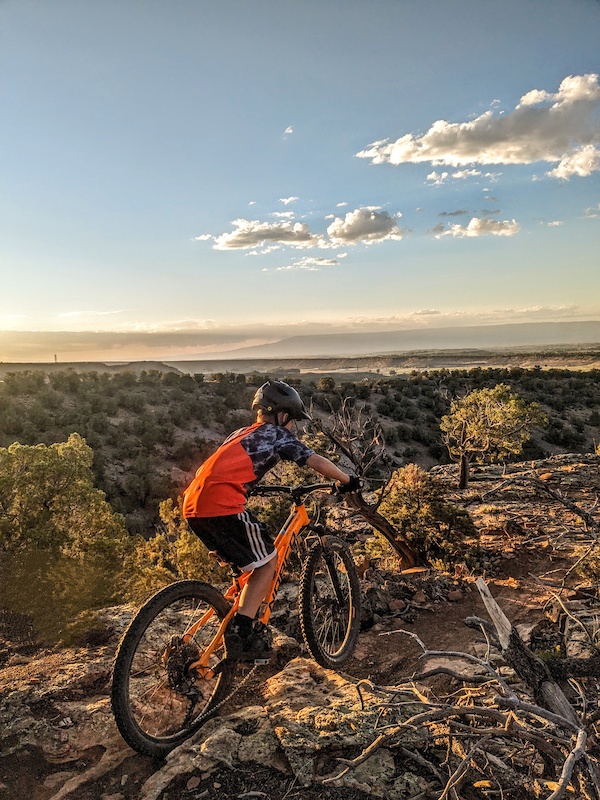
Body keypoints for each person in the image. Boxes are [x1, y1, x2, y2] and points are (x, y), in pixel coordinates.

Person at [182, 379, 359, 661]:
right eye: (294, 421)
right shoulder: (278, 435)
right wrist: (347, 480)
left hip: (193, 505)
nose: (294, 427)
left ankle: (235, 616)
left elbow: (231, 467)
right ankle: (242, 634)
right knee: (267, 562)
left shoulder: (241, 433)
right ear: (283, 415)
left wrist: (251, 486)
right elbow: (316, 461)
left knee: (247, 566)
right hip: (221, 505)